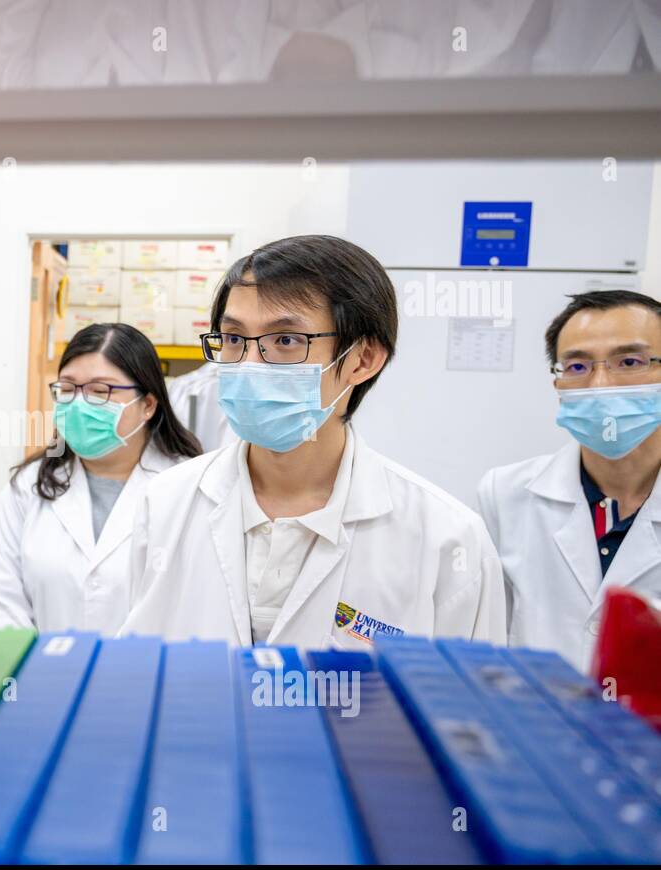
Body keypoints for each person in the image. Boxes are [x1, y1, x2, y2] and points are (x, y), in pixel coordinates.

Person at [120, 234, 506, 647]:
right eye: (233, 339)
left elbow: (467, 704)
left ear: (362, 359)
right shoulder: (163, 504)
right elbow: (131, 676)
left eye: (285, 340)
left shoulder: (446, 537)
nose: (249, 364)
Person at [0, 322, 201, 635]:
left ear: (147, 405)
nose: (79, 405)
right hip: (44, 675)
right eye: (67, 389)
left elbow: (201, 608)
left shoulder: (190, 487)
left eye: (100, 391)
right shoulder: (28, 488)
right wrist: (32, 671)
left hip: (147, 677)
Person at [478, 289, 661, 674]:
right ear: (557, 385)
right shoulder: (505, 494)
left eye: (629, 361)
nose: (600, 385)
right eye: (577, 367)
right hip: (537, 725)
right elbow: (487, 638)